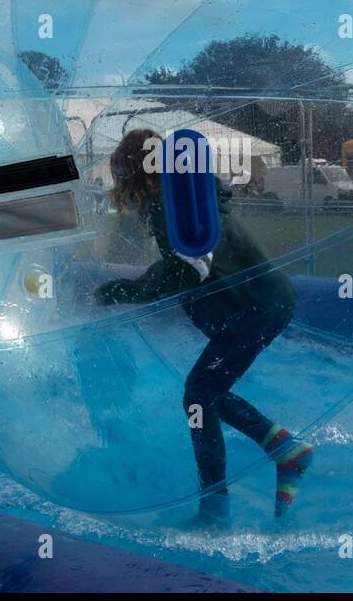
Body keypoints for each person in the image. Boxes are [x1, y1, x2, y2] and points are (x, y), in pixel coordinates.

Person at [94, 129, 314, 525]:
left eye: (126, 182)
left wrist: (121, 291)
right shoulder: (188, 200)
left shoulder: (179, 207)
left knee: (199, 393)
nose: (128, 195)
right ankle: (283, 449)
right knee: (206, 393)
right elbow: (187, 267)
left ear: (139, 175)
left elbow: (185, 271)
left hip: (254, 307)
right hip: (260, 304)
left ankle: (215, 508)